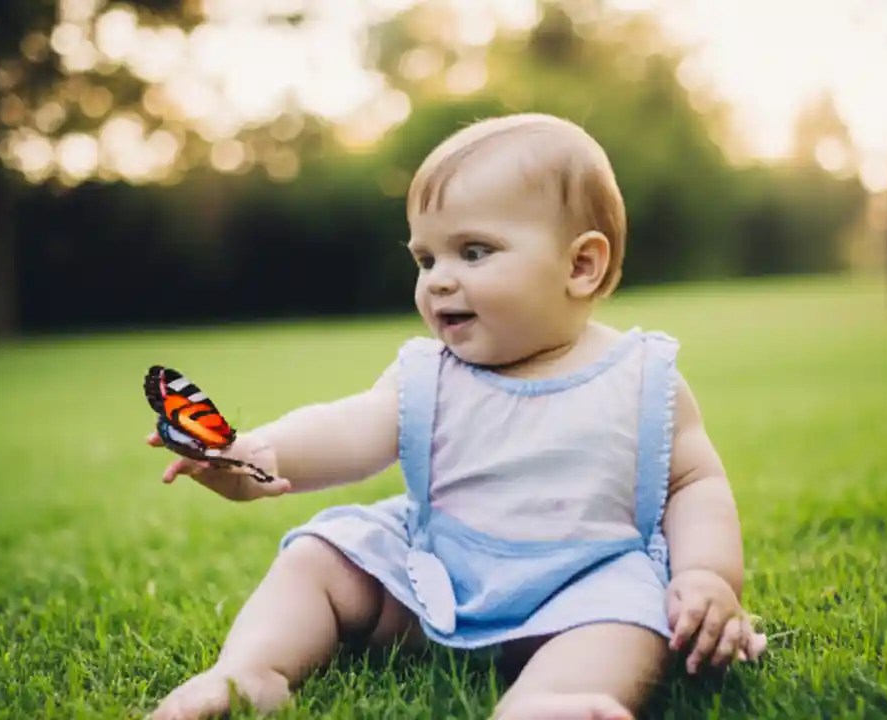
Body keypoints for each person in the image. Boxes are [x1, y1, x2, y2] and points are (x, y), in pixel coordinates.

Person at [147, 113, 767, 720]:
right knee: (319, 556)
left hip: (583, 585)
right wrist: (257, 454)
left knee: (632, 620)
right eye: (426, 259)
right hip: (436, 573)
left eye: (473, 252)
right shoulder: (430, 375)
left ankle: (546, 703)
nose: (439, 281)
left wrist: (707, 574)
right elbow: (349, 429)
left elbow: (694, 485)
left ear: (581, 266)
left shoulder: (643, 379)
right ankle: (251, 670)